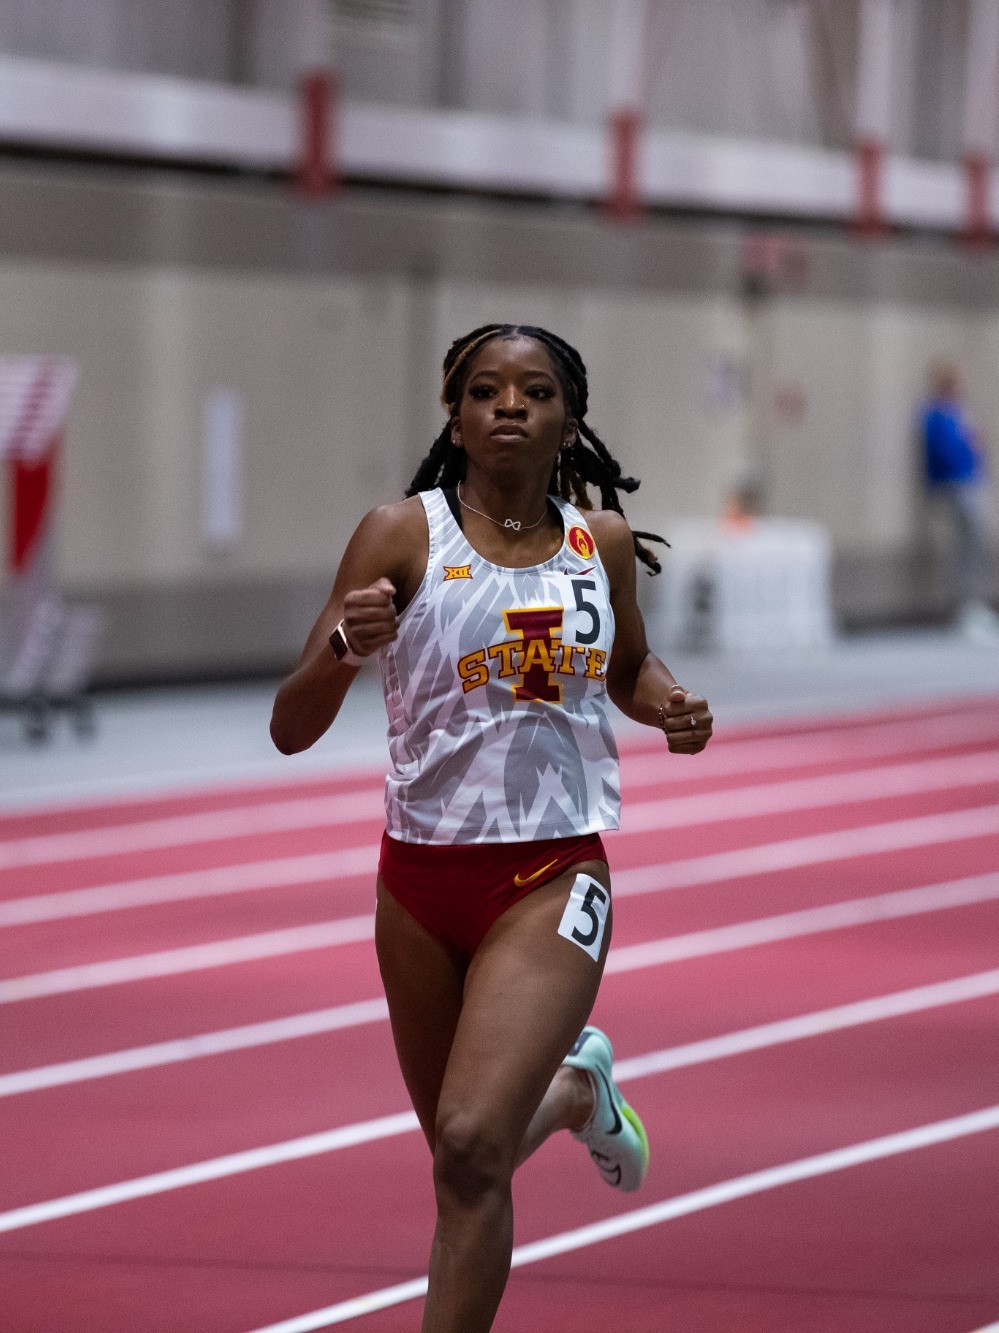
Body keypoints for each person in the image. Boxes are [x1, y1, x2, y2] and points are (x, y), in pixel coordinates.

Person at [270, 323, 712, 1331]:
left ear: (567, 417)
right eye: (483, 389)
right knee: (464, 1158)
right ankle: (573, 1094)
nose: (507, 404)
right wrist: (343, 644)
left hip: (551, 871)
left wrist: (669, 701)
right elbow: (289, 726)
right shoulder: (396, 534)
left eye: (533, 390)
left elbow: (630, 667)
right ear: (455, 416)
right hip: (418, 885)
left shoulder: (595, 543)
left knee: (471, 1142)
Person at [919, 361, 999, 641]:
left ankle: (972, 603)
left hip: (969, 484)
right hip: (955, 487)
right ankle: (963, 606)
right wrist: (969, 443)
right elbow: (944, 453)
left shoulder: (955, 414)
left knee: (974, 547)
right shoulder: (935, 415)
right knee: (962, 549)